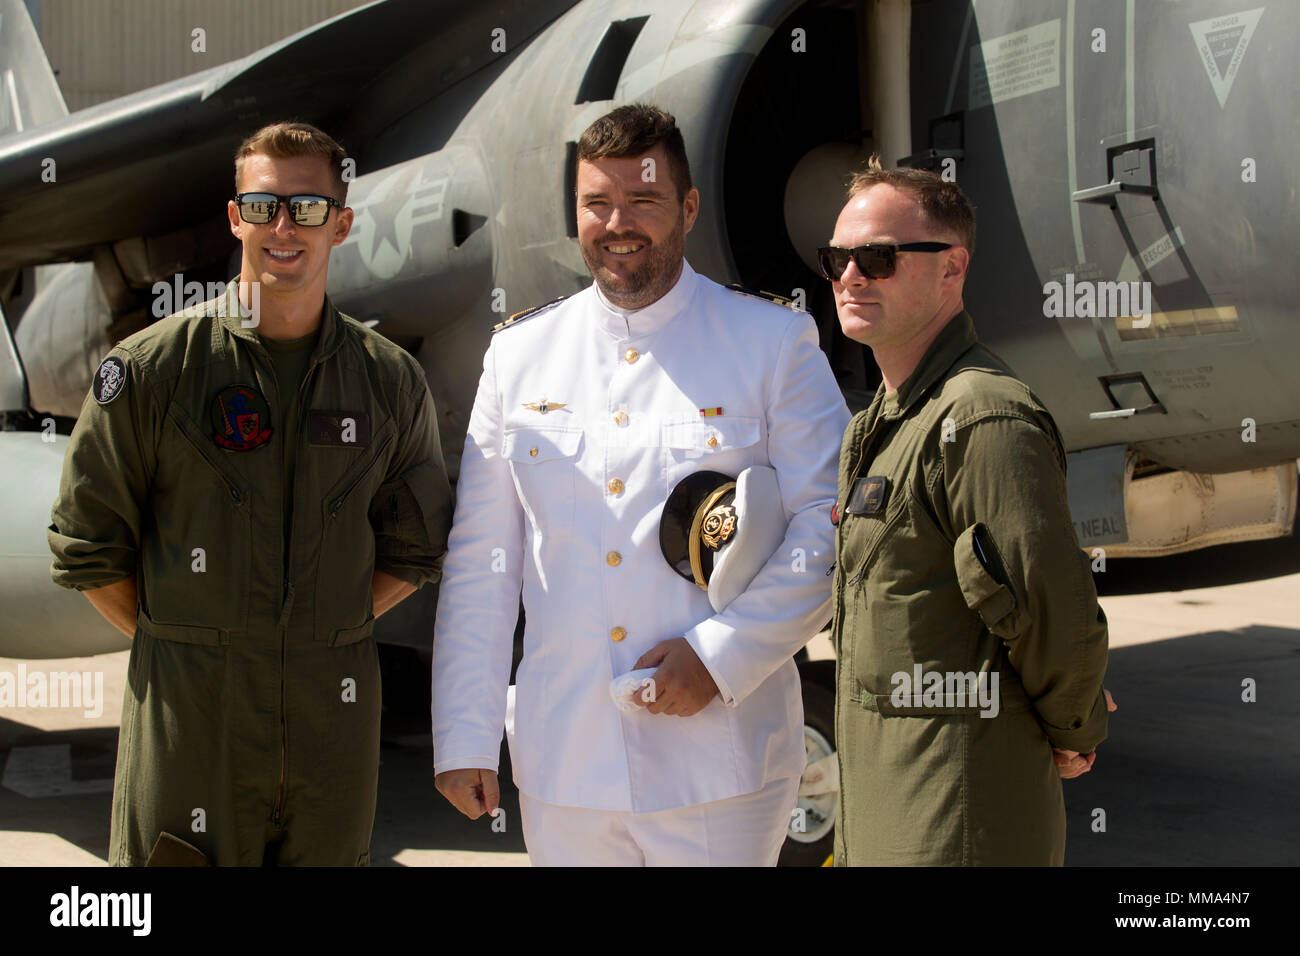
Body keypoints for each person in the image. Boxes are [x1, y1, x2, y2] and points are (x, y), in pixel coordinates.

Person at [431, 104, 849, 866]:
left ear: (687, 208)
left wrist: (719, 657)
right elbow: (481, 564)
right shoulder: (519, 357)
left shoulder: (771, 344)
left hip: (721, 763)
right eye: (598, 203)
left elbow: (828, 529)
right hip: (569, 766)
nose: (617, 222)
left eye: (644, 200)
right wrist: (464, 733)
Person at [48, 121, 452, 866]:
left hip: (331, 727)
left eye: (306, 208)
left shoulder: (387, 380)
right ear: (235, 217)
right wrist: (191, 642)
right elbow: (90, 549)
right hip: (191, 725)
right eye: (263, 207)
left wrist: (314, 632)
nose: (283, 228)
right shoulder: (153, 370)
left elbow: (413, 545)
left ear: (341, 223)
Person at [824, 157, 1112, 865]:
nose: (850, 277)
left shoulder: (982, 415)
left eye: (878, 258)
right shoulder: (882, 423)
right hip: (889, 805)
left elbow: (1049, 603)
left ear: (952, 268)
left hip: (957, 820)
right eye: (837, 259)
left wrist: (1073, 727)